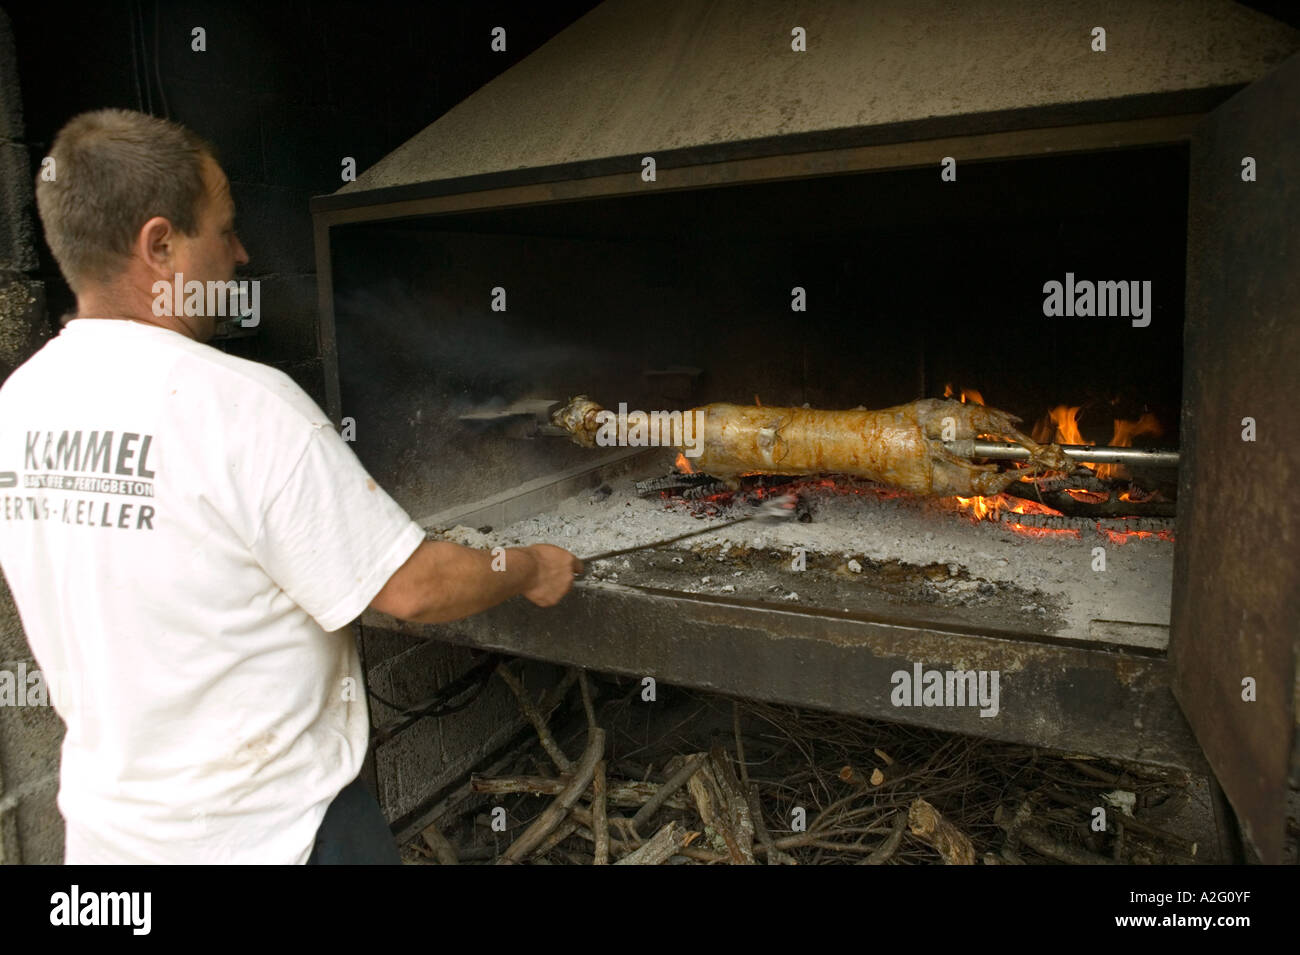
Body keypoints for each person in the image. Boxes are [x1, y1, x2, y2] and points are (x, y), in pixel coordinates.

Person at [0, 108, 582, 864]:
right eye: (225, 229)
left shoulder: (19, 404)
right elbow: (411, 587)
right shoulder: (242, 405)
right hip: (278, 837)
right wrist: (530, 566)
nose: (241, 256)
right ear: (160, 245)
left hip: (110, 850)